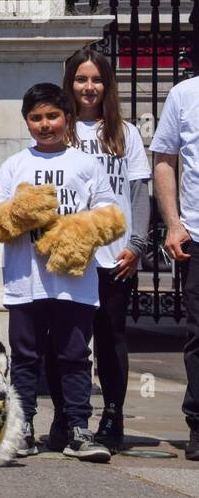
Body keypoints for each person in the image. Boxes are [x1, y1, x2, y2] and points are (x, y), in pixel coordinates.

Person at [0, 83, 114, 462]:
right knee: (25, 356)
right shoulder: (15, 165)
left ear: (68, 119)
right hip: (25, 282)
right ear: (27, 122)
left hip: (74, 282)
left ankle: (76, 427)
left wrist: (72, 231)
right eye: (36, 118)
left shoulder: (87, 164)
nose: (45, 125)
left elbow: (107, 216)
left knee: (74, 355)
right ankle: (22, 426)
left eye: (52, 117)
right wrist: (23, 215)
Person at [61, 48, 150, 452]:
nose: (89, 87)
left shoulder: (125, 133)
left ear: (107, 85)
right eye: (81, 79)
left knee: (111, 337)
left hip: (115, 257)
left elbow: (138, 193)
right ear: (70, 83)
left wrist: (136, 245)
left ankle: (112, 414)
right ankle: (67, 416)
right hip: (72, 256)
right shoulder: (61, 130)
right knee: (67, 339)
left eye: (96, 79)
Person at [150, 72, 199, 462]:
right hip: (197, 233)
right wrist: (173, 222)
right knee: (198, 335)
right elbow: (164, 158)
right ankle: (198, 425)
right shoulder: (184, 94)